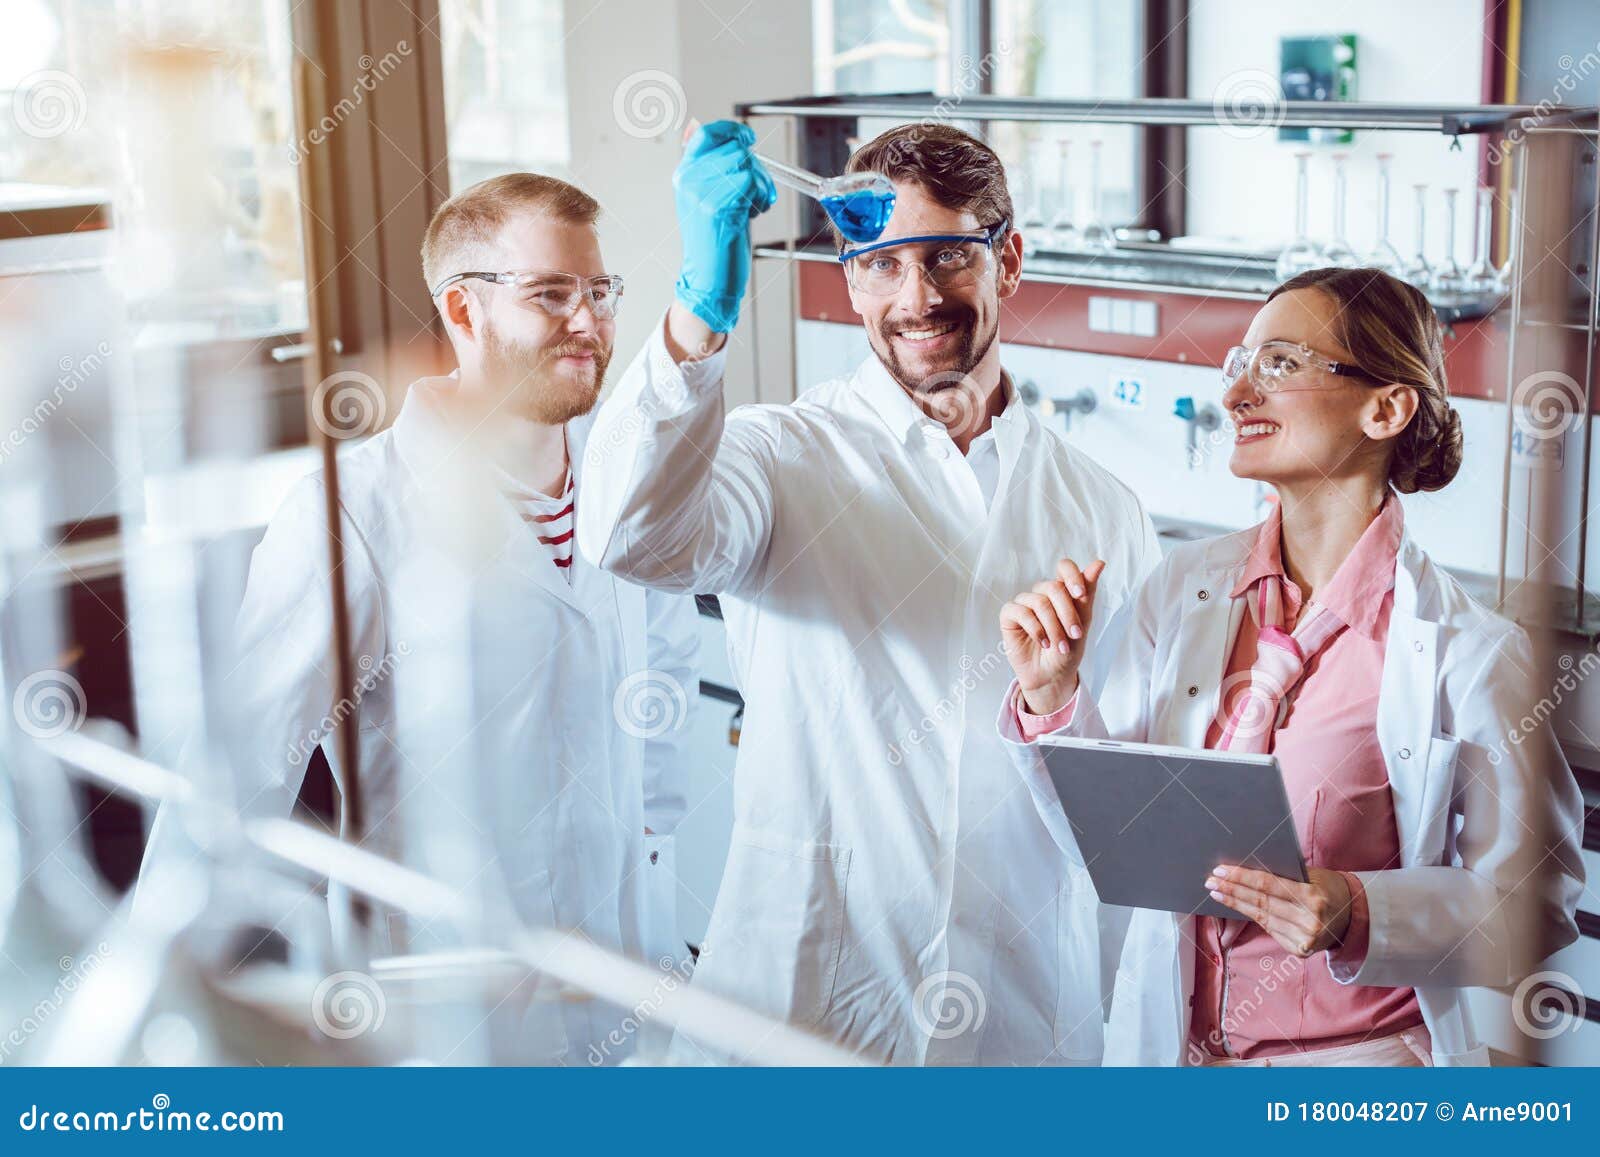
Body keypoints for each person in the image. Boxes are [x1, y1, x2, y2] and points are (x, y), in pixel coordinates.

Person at [577, 120, 1160, 1065]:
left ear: (1009, 260)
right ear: (849, 280)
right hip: (809, 1000)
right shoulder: (781, 455)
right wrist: (698, 318)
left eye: (946, 258)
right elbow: (630, 531)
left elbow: (1128, 804)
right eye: (881, 264)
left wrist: (1059, 703)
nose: (917, 297)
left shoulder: (1103, 509)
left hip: (1020, 1017)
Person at [141, 173, 697, 1064]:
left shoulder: (628, 485)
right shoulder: (351, 509)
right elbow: (234, 776)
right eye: (551, 295)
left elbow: (662, 702)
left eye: (599, 292)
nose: (589, 324)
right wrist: (162, 998)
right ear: (465, 313)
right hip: (443, 1006)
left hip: (630, 986)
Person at [997, 266, 1586, 1066]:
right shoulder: (1181, 591)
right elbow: (1110, 842)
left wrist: (1358, 910)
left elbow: (1538, 902)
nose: (1237, 394)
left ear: (1386, 406)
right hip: (1172, 1057)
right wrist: (1052, 693)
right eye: (1240, 363)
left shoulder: (1468, 651)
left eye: (1278, 363)